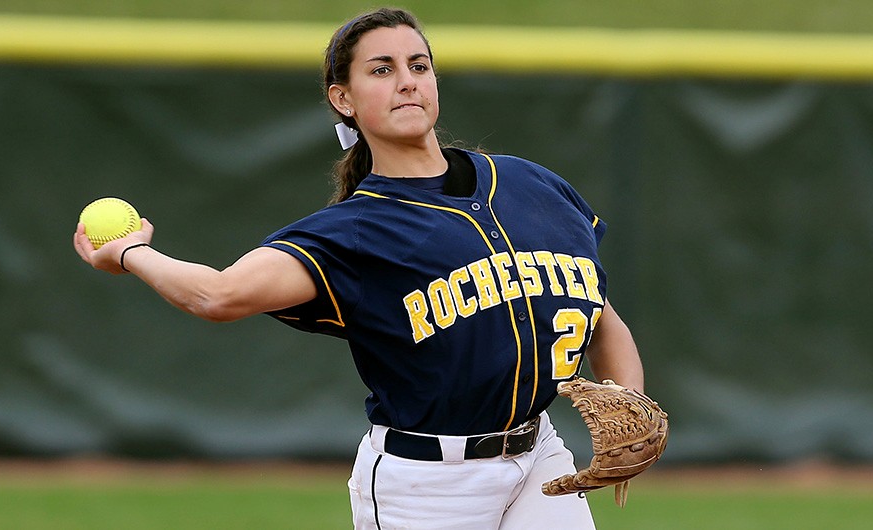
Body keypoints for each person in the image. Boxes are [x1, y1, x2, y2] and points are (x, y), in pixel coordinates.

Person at [73, 7, 645, 529]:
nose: (406, 80)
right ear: (343, 99)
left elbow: (600, 318)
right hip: (427, 485)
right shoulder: (352, 233)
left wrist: (629, 411)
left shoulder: (532, 185)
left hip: (540, 457)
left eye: (418, 64)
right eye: (381, 69)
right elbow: (219, 296)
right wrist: (131, 252)